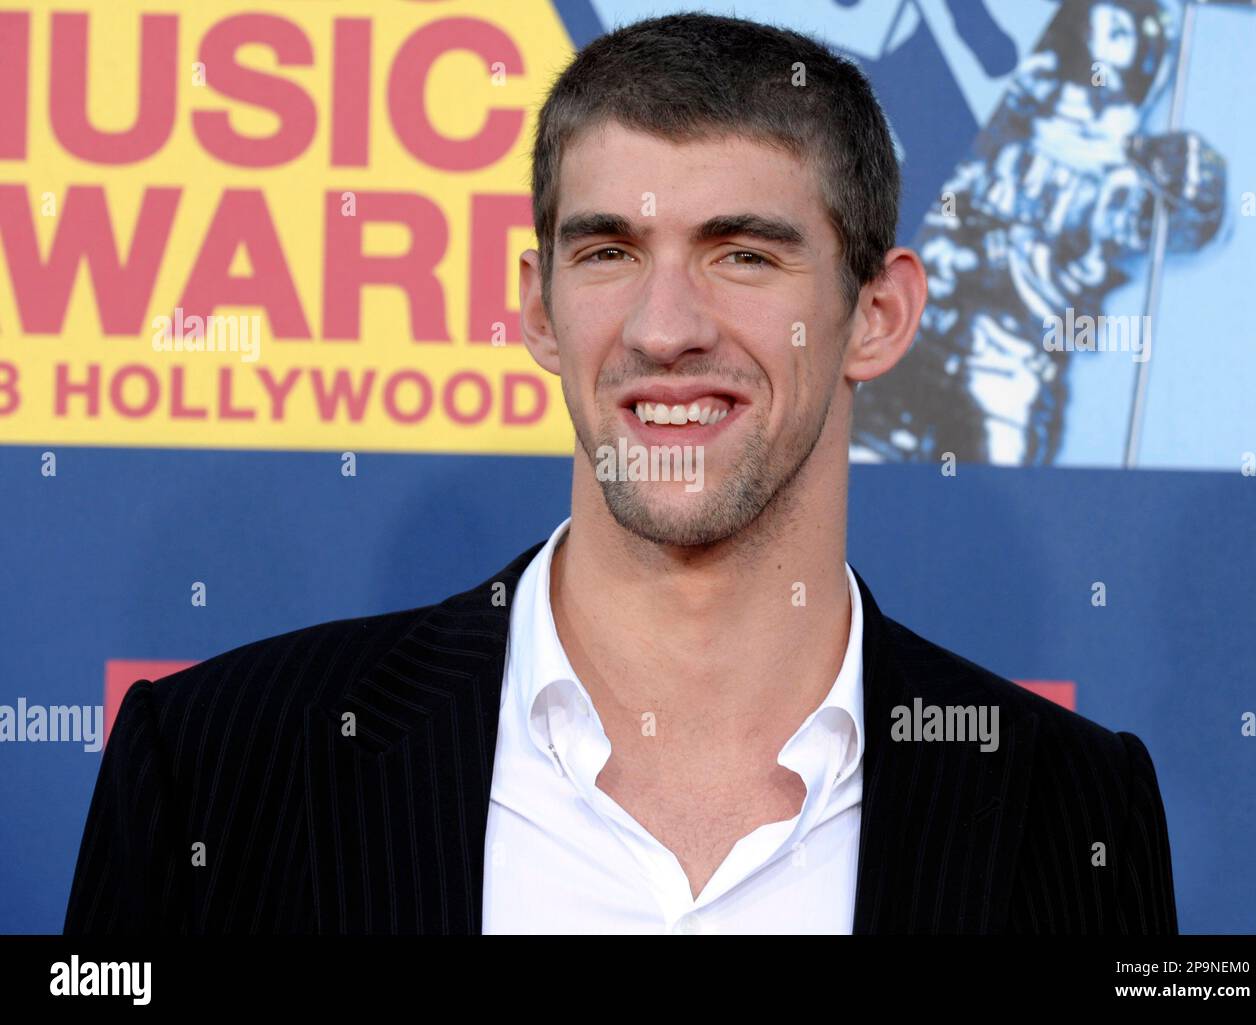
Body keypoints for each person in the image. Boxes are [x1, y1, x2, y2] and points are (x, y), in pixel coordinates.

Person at [64, 11, 1176, 935]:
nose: (665, 327)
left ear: (877, 316)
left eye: (742, 252)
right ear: (537, 308)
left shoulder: (1067, 810)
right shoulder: (217, 767)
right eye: (608, 253)